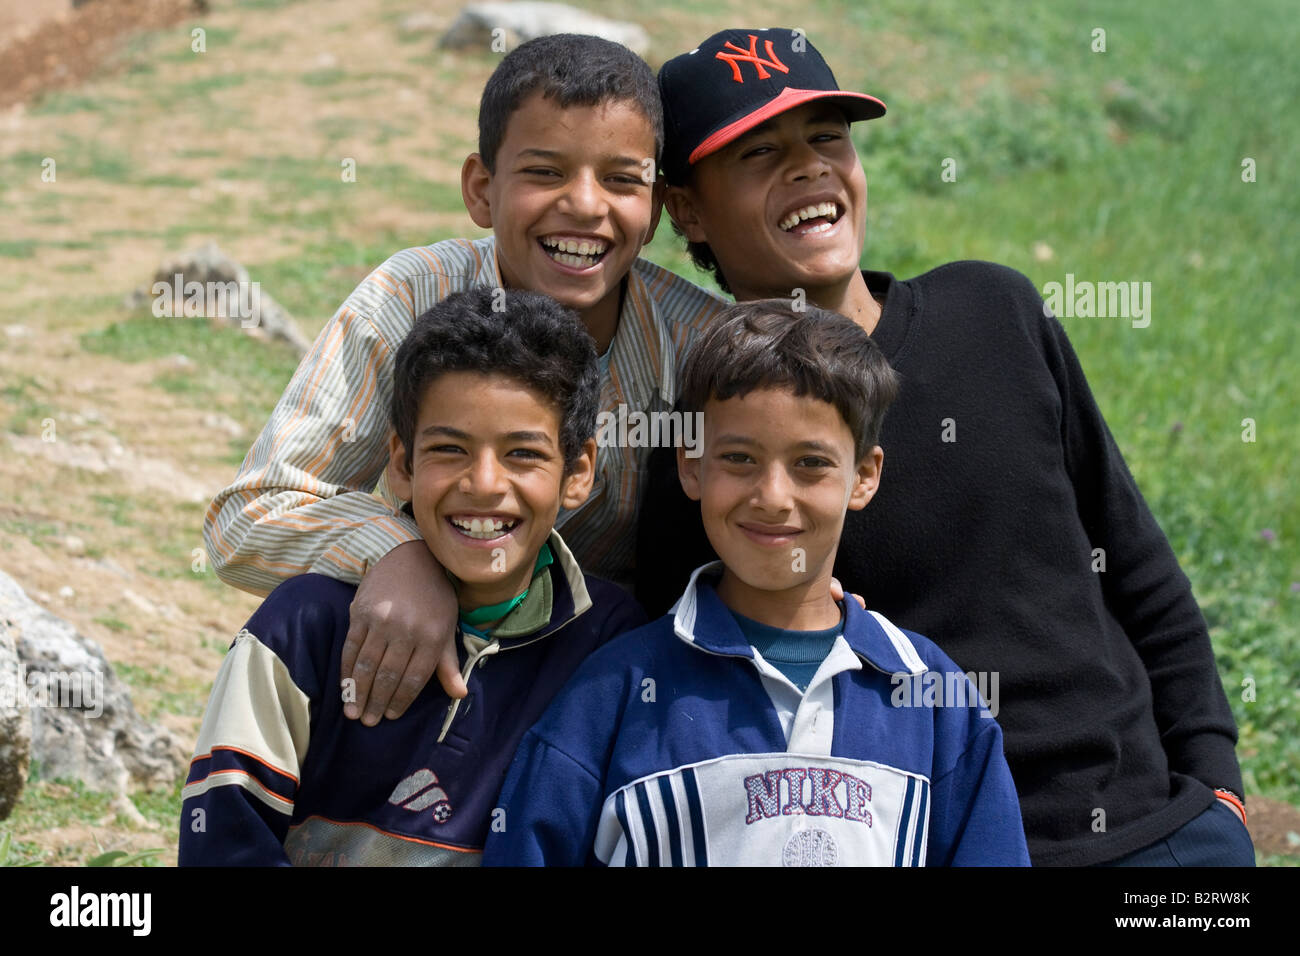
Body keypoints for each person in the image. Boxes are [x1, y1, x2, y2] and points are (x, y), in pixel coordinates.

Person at [635, 27, 1254, 866]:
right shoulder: (714, 436)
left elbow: (1137, 567)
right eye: (759, 153)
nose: (810, 166)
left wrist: (1217, 786)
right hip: (932, 842)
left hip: (1157, 833)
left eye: (828, 137)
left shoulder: (994, 312)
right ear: (687, 209)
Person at [202, 34, 725, 728]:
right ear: (482, 189)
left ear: (656, 206)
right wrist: (395, 551)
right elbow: (247, 517)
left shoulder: (700, 346)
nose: (585, 205)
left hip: (591, 695)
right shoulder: (408, 298)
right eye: (544, 172)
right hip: (405, 673)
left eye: (621, 180)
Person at [484, 301, 1028, 867]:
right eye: (739, 458)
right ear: (691, 465)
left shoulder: (931, 694)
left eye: (811, 463)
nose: (772, 496)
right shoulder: (612, 694)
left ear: (864, 476)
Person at [179, 288, 646, 865]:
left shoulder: (612, 646)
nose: (483, 484)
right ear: (401, 462)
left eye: (523, 454)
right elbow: (225, 843)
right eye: (449, 449)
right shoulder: (301, 628)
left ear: (578, 472)